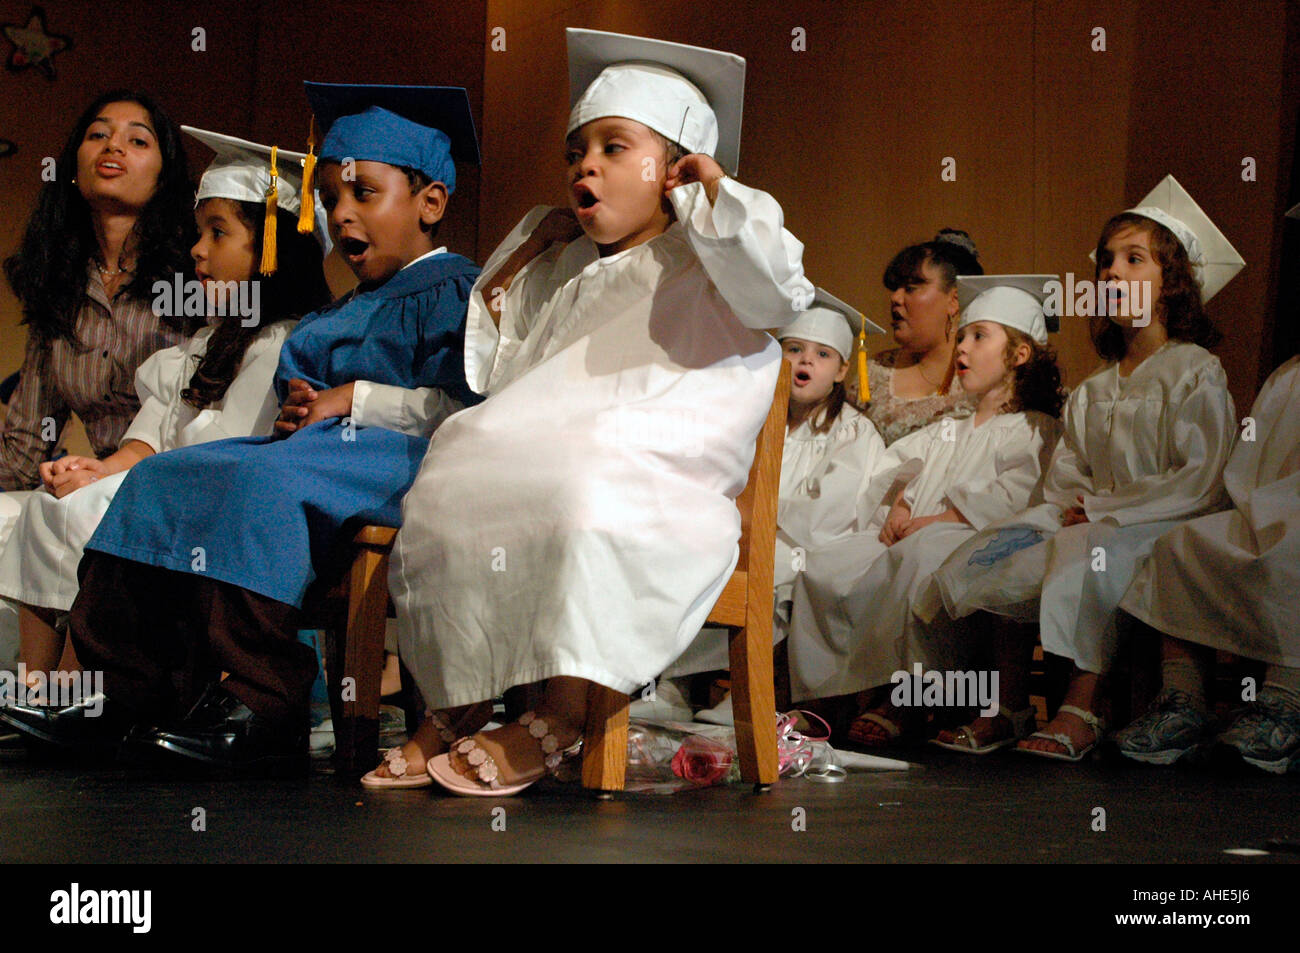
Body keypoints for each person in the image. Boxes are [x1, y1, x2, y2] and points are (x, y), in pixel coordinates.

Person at [372, 29, 813, 794]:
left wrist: (711, 190)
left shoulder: (710, 255)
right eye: (578, 150)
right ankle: (459, 697)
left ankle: (565, 710)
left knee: (581, 483)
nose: (587, 165)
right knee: (457, 462)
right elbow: (510, 381)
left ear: (672, 168)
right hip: (567, 451)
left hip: (655, 477)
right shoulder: (578, 276)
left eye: (615, 147)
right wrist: (526, 254)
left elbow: (776, 285)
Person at [1, 84, 482, 775]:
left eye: (365, 196)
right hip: (317, 458)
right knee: (168, 473)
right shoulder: (341, 310)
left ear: (430, 203)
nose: (343, 216)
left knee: (260, 478)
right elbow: (303, 400)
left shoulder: (454, 290)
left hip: (406, 459)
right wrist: (301, 409)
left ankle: (263, 701)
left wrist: (357, 399)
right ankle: (123, 690)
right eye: (334, 201)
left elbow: (466, 408)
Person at [921, 175, 1244, 761]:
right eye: (1107, 263)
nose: (1112, 273)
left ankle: (1084, 702)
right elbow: (1067, 480)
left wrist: (1100, 510)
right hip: (1091, 517)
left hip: (1165, 522)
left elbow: (1201, 477)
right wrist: (1059, 513)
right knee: (999, 549)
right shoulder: (1094, 391)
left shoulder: (1195, 371)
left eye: (1133, 260)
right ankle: (1011, 703)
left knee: (1085, 550)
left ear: (1171, 285)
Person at [0, 126, 331, 697]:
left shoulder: (288, 344)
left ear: (270, 249)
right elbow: (147, 437)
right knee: (49, 506)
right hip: (162, 486)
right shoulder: (204, 343)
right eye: (199, 232)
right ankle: (38, 690)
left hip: (214, 506)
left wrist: (118, 482)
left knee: (92, 514)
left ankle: (89, 694)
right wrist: (96, 468)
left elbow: (225, 453)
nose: (198, 250)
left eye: (218, 233)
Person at [787, 276, 1063, 746]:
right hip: (917, 531)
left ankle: (910, 700)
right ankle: (828, 694)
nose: (964, 349)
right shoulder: (951, 427)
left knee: (920, 556)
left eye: (980, 337)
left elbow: (1016, 496)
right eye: (963, 337)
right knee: (827, 563)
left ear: (1019, 355)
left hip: (974, 536)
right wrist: (901, 505)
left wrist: (939, 521)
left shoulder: (1032, 428)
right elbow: (907, 468)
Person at [658, 290, 889, 725]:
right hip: (742, 535)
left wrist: (759, 515)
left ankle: (748, 691)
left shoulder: (854, 433)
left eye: (822, 355)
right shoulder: (752, 419)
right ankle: (675, 687)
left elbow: (831, 514)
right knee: (688, 557)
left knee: (772, 566)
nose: (805, 362)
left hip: (815, 548)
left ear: (842, 370)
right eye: (794, 349)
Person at [1113, 348, 1300, 773]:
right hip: (1269, 509)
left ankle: (1287, 707)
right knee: (1180, 544)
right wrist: (1263, 509)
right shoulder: (1288, 374)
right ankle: (1184, 702)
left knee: (1292, 552)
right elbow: (1251, 463)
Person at [1, 90, 198, 491]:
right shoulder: (60, 284)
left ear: (164, 177)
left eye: (138, 140)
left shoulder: (198, 274)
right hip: (93, 487)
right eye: (97, 136)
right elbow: (25, 453)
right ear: (75, 168)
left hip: (179, 484)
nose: (113, 146)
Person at [856, 230, 982, 445]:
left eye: (911, 288)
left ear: (954, 300)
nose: (895, 298)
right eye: (895, 288)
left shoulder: (986, 374)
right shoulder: (875, 371)